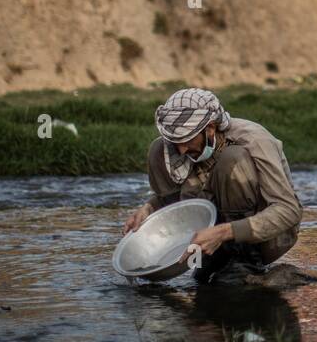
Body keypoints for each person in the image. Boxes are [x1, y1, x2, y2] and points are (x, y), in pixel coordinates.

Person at [123, 88, 302, 282]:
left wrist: (224, 232)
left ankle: (244, 261)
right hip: (208, 233)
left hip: (268, 237)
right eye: (176, 141)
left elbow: (289, 211)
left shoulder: (255, 141)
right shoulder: (179, 149)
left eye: (187, 139)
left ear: (210, 129)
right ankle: (213, 257)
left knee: (232, 159)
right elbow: (186, 198)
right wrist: (150, 209)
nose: (182, 150)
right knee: (159, 148)